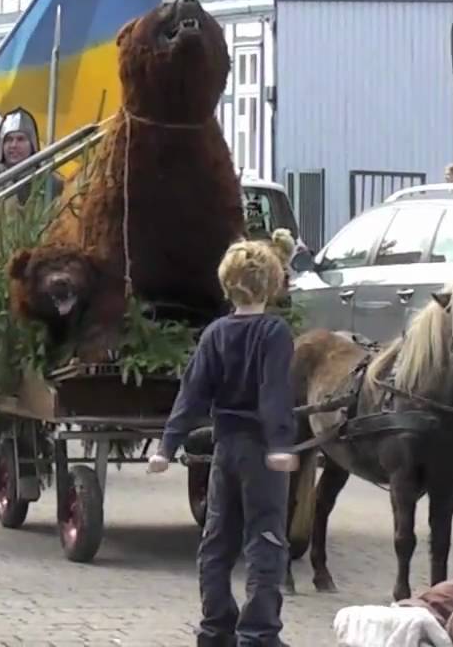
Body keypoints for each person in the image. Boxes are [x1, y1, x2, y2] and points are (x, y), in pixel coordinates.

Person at [149, 238, 299, 647]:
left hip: (223, 449)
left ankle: (215, 628)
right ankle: (258, 633)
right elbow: (274, 394)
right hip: (261, 455)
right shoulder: (274, 332)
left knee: (218, 540)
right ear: (271, 283)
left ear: (226, 283)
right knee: (266, 539)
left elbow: (192, 392)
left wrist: (167, 445)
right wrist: (280, 444)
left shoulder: (215, 332)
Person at [0, 107, 59, 473]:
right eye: (9, 140)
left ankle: (39, 439)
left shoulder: (52, 183)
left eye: (21, 139)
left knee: (38, 371)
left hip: (38, 290)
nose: (15, 146)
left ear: (33, 144)